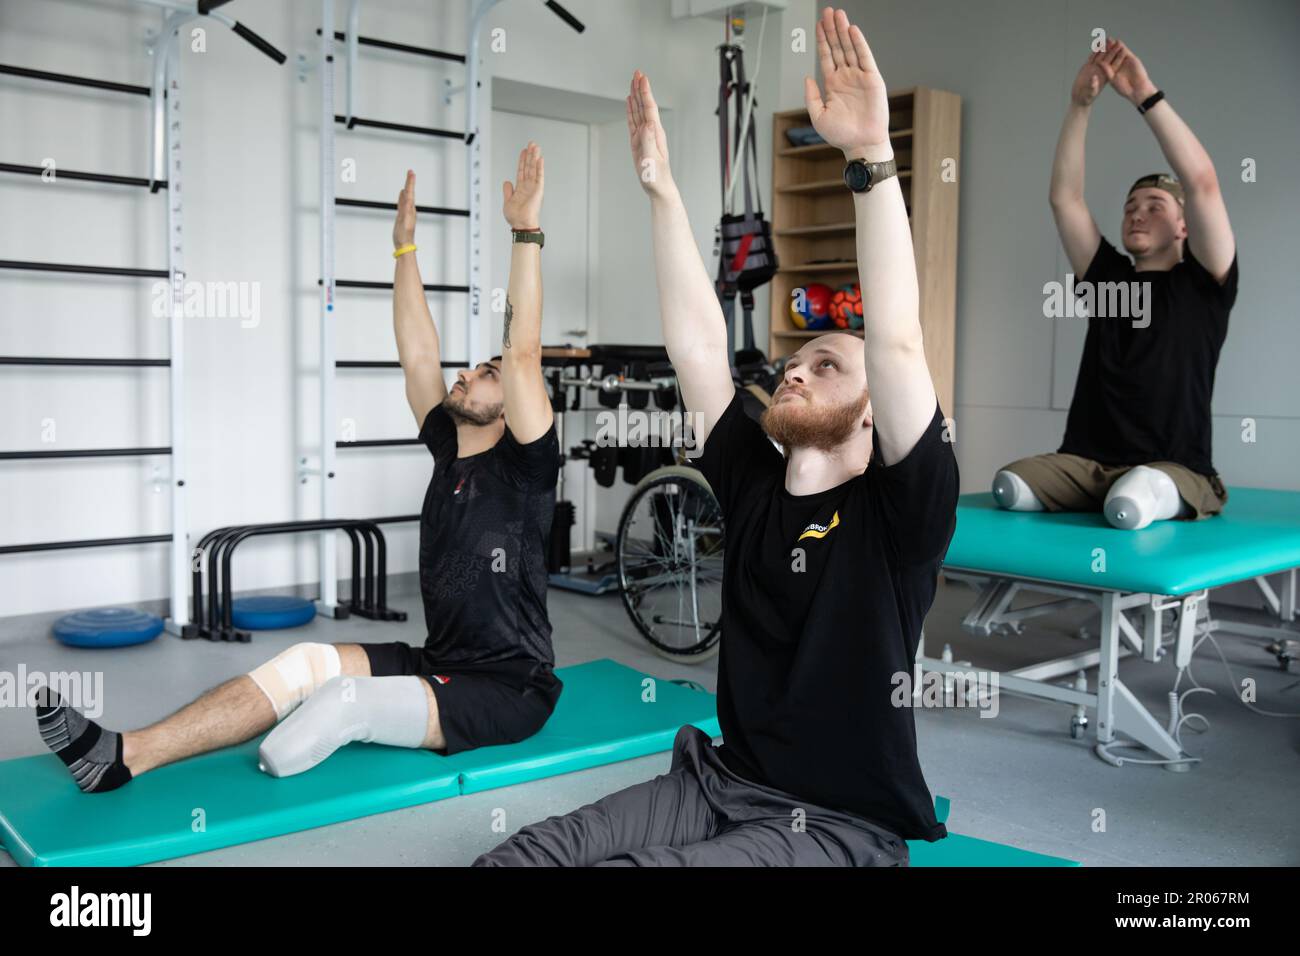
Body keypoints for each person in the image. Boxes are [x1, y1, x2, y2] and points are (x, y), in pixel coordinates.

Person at [474, 7, 956, 867]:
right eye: (797, 360)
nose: (799, 371)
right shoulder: (754, 482)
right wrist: (661, 189)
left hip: (842, 825)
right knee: (528, 855)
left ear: (877, 409)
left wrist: (871, 159)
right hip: (718, 783)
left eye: (830, 366)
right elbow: (697, 345)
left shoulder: (901, 514)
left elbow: (899, 338)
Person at [33, 144, 563, 791]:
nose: (466, 373)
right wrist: (403, 249)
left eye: (486, 374)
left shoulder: (526, 467)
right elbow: (418, 350)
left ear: (515, 408)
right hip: (440, 659)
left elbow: (525, 350)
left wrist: (524, 231)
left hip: (510, 688)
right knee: (306, 662)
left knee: (327, 716)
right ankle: (123, 754)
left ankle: (282, 751)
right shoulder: (449, 448)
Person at [992, 38, 1238, 530]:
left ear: (1183, 227)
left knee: (1132, 499)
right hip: (1087, 466)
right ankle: (1109, 491)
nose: (1137, 214)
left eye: (1154, 206)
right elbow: (1065, 198)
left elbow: (1202, 182)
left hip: (1176, 468)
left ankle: (1144, 493)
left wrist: (1144, 95)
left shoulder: (1205, 283)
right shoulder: (1107, 279)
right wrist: (1080, 105)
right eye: (1130, 207)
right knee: (1009, 485)